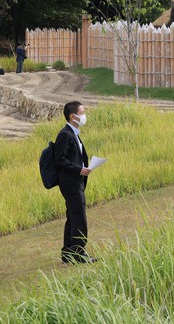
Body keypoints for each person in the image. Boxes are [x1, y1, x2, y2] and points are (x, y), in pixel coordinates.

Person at [54, 100, 94, 264]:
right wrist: (79, 169)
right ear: (73, 116)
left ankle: (68, 254)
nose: (84, 116)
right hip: (71, 183)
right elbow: (60, 160)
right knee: (79, 219)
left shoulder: (74, 133)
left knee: (72, 217)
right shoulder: (65, 134)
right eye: (82, 113)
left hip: (76, 182)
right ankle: (79, 254)